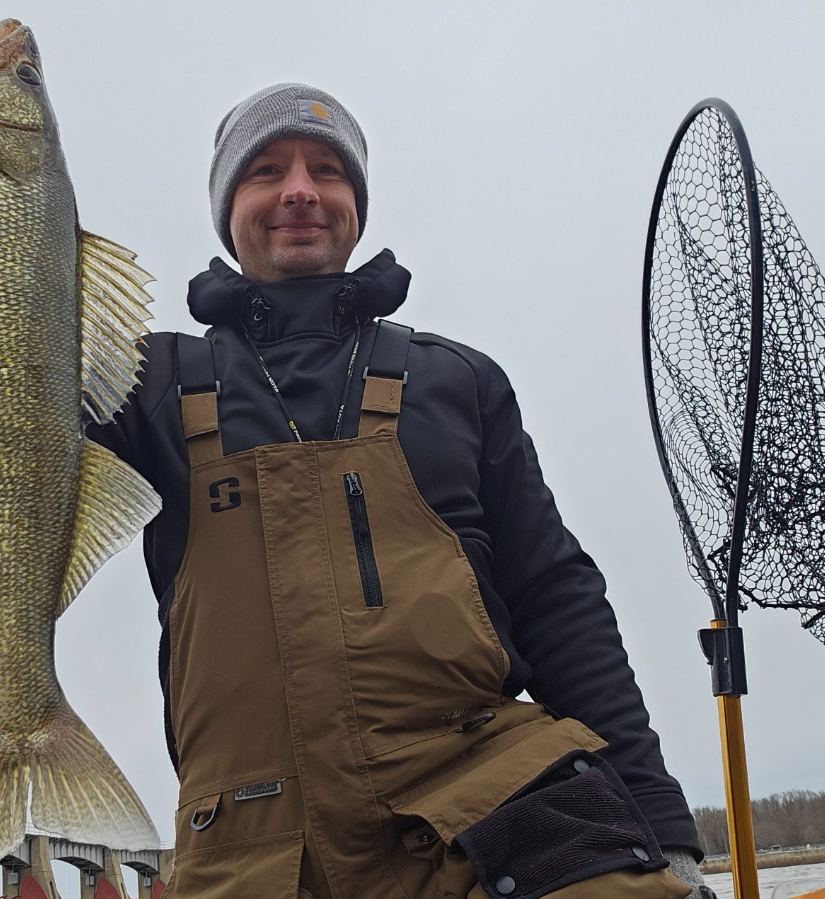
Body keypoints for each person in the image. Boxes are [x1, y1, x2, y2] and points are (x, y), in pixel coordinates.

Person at [86, 83, 716, 899]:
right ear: (227, 210)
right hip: (249, 844)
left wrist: (660, 822)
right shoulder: (142, 385)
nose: (301, 191)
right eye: (266, 171)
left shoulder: (459, 380)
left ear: (356, 205)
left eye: (327, 170)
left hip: (487, 797)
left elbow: (556, 597)